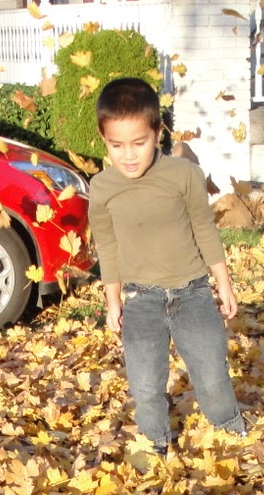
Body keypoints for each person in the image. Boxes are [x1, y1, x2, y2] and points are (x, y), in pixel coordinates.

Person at [86, 76, 248, 453]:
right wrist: (113, 301)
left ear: (157, 133)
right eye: (117, 146)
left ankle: (229, 429)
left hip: (192, 294)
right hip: (140, 301)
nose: (129, 155)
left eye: (139, 143)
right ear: (103, 139)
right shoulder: (102, 188)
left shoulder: (184, 176)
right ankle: (155, 442)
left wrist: (223, 282)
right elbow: (106, 246)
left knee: (211, 374)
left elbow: (205, 229)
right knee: (145, 384)